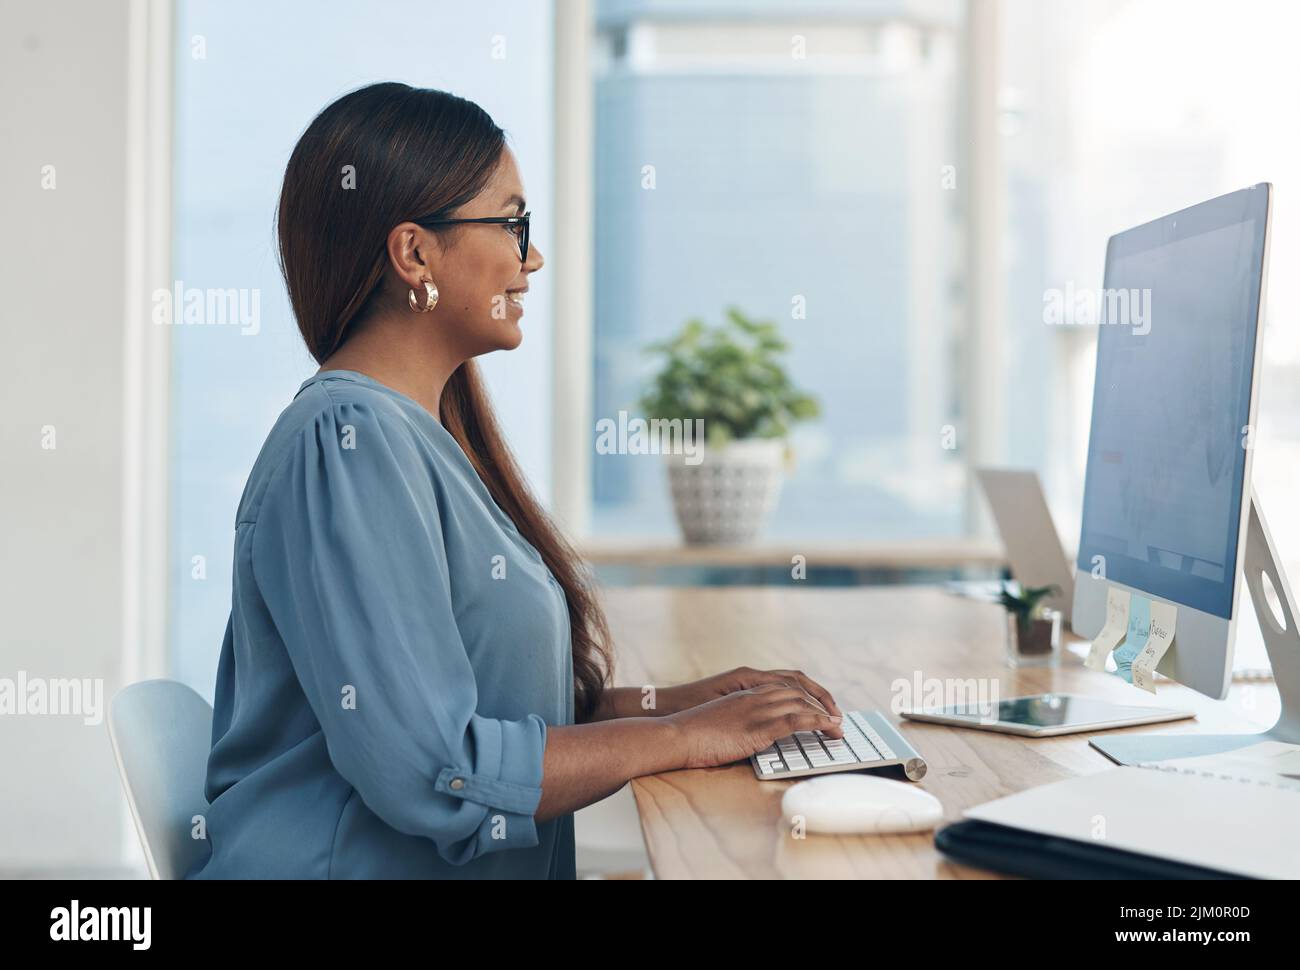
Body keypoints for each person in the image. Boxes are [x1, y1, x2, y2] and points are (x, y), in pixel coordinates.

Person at [187, 82, 843, 879]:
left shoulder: (416, 439)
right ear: (414, 254)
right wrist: (681, 740)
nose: (530, 258)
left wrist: (684, 703)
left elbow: (495, 717)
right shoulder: (347, 444)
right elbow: (436, 768)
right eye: (511, 223)